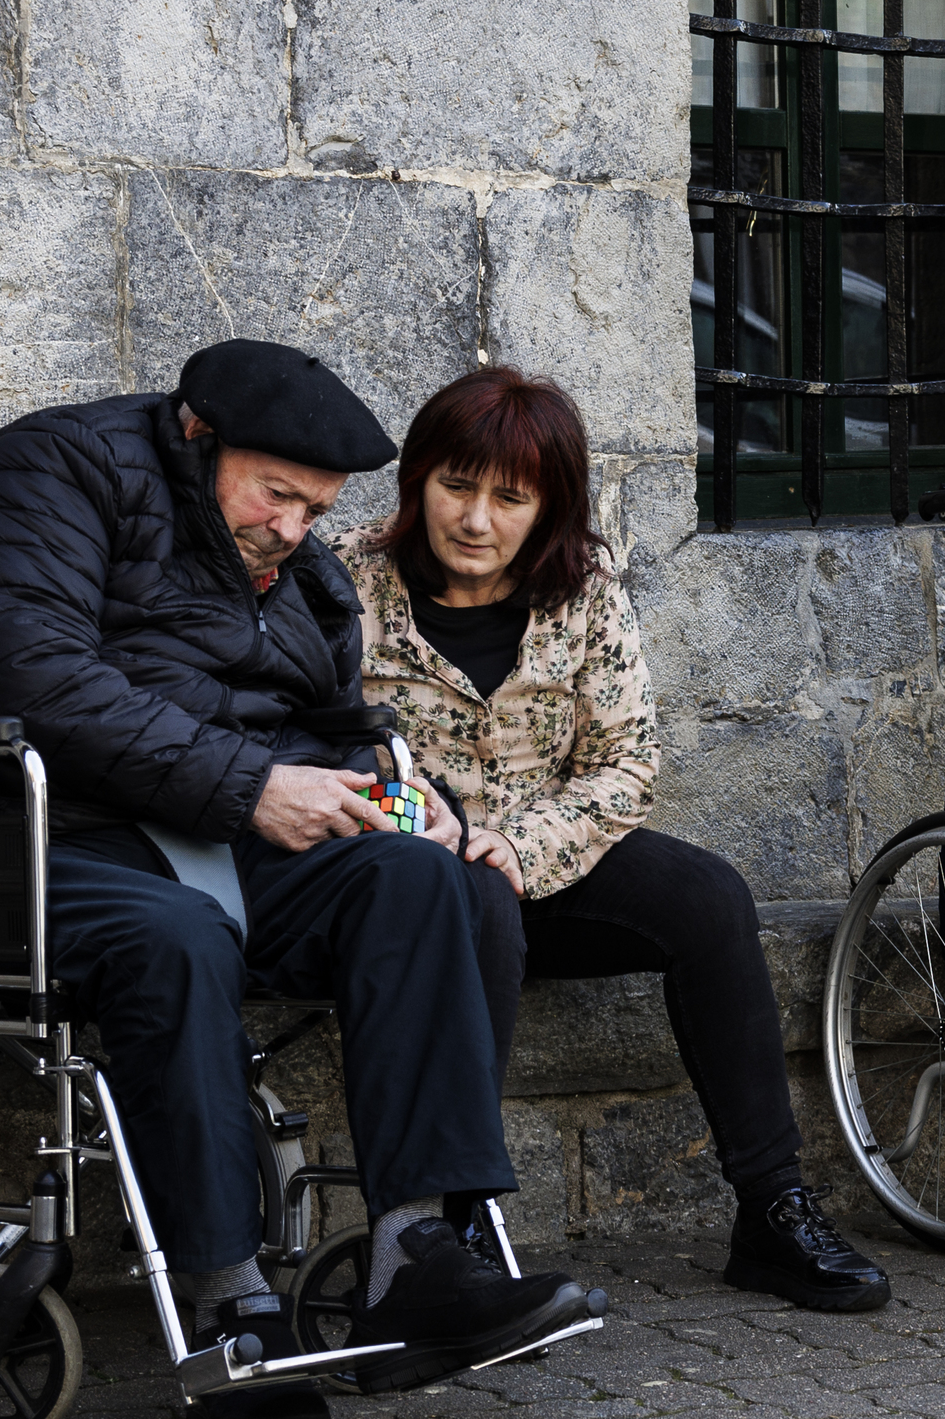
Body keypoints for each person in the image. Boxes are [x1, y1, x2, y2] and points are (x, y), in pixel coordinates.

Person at [0, 339, 605, 1419]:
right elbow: (37, 678)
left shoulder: (294, 570)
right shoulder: (52, 473)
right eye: (277, 496)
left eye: (319, 510)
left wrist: (411, 802)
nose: (295, 529)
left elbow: (328, 721)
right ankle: (230, 1310)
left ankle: (417, 1258)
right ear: (197, 436)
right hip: (22, 835)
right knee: (175, 937)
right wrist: (255, 786)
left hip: (206, 828)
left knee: (422, 878)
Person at [335, 364, 892, 1315]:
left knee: (709, 897)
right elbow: (307, 735)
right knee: (478, 905)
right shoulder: (346, 579)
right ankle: (452, 1231)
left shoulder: (582, 587)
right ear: (417, 481)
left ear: (548, 506)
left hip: (540, 861)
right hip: (406, 879)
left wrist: (521, 844)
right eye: (455, 487)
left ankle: (772, 1207)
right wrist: (422, 826)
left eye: (510, 498)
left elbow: (625, 763)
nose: (476, 519)